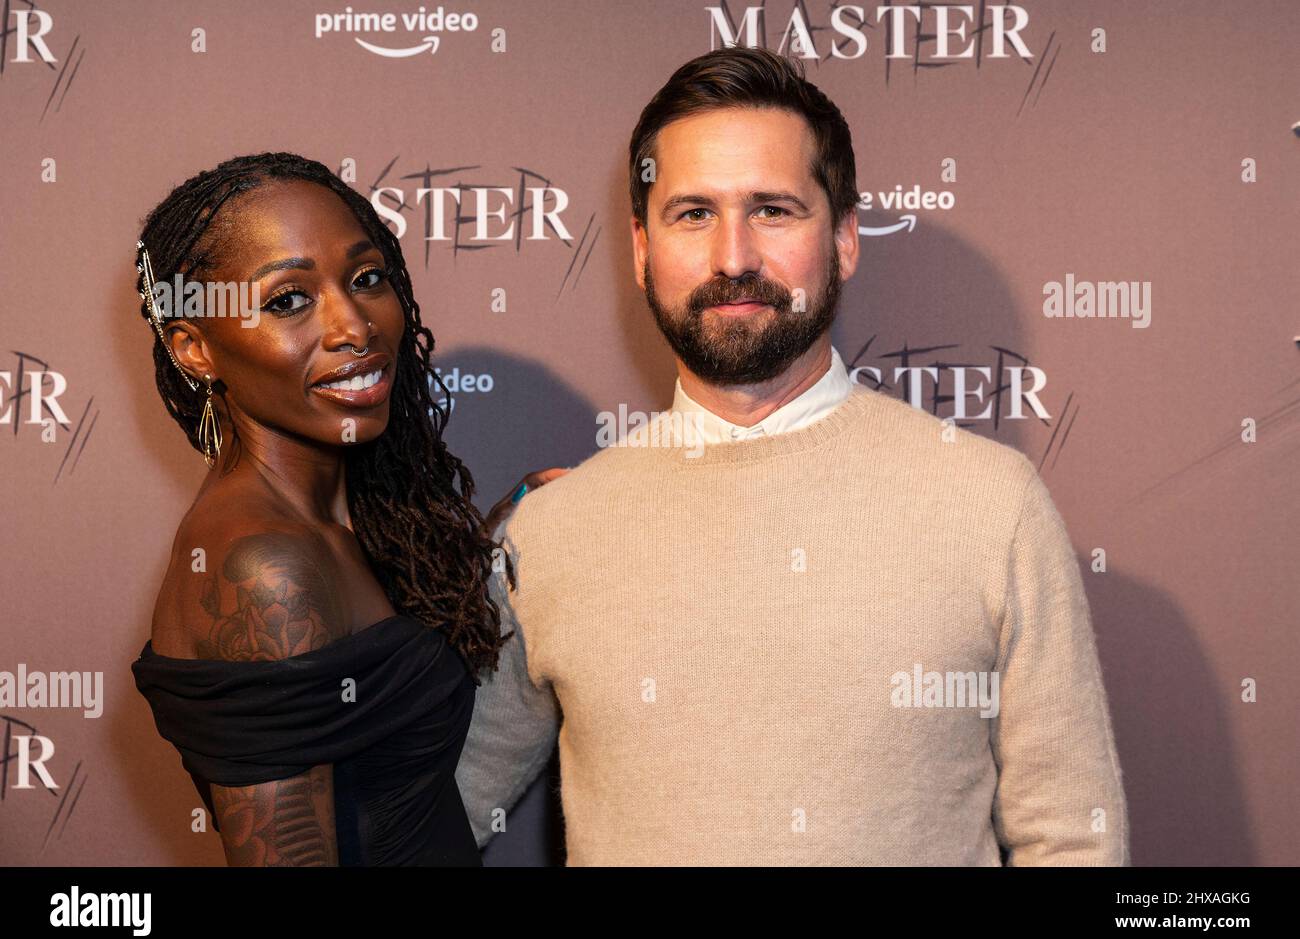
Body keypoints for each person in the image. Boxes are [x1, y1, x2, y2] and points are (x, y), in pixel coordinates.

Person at [455, 48, 1130, 865]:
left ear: (844, 239)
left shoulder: (993, 505)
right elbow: (436, 816)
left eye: (773, 210)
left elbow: (1073, 844)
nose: (733, 256)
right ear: (640, 249)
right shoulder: (550, 534)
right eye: (692, 213)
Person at [129, 152, 559, 866]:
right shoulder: (266, 568)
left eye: (366, 279)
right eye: (288, 300)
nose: (356, 327)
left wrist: (505, 537)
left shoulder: (337, 518)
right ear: (196, 349)